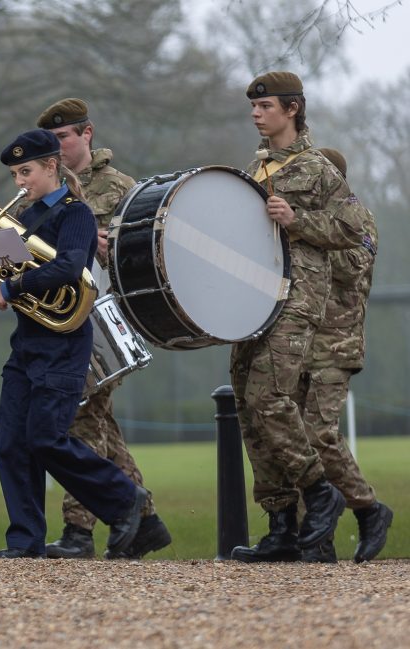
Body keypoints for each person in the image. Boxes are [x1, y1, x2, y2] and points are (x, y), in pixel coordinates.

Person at [0, 129, 146, 559]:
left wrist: (14, 284)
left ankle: (125, 498)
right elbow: (21, 271)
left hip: (64, 344)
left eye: (27, 171)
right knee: (12, 444)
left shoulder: (75, 214)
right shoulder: (26, 216)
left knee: (47, 439)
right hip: (28, 343)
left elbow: (71, 266)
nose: (21, 181)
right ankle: (24, 539)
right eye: (16, 174)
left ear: (52, 167)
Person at [227, 71, 366, 563]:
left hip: (297, 299)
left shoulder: (318, 168)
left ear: (292, 109)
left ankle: (320, 491)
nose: (255, 114)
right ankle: (282, 525)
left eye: (264, 107)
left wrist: (298, 221)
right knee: (248, 404)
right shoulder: (256, 168)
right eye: (253, 107)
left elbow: (354, 230)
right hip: (253, 299)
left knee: (270, 396)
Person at [35, 98, 170, 560]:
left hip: (105, 319)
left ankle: (79, 530)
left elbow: (148, 256)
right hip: (60, 316)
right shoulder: (46, 188)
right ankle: (144, 519)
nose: (56, 148)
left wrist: (109, 247)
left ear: (86, 134)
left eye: (63, 139)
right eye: (50, 143)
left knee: (80, 419)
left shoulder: (122, 188)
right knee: (97, 423)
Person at [269, 147, 391, 563]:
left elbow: (353, 268)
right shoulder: (299, 225)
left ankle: (368, 508)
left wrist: (305, 231)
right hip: (296, 341)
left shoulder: (357, 221)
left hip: (334, 346)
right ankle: (315, 540)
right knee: (295, 437)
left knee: (319, 433)